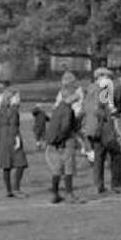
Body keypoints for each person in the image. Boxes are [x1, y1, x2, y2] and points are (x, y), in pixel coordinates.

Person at [45, 73, 85, 204]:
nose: (77, 98)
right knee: (69, 168)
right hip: (66, 141)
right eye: (75, 96)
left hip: (56, 143)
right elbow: (67, 127)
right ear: (70, 97)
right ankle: (69, 194)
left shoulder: (58, 108)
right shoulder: (68, 110)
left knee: (57, 168)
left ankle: (54, 194)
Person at [84, 69, 121, 195]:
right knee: (116, 153)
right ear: (101, 77)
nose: (110, 79)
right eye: (108, 76)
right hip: (103, 127)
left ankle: (98, 185)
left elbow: (87, 108)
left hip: (91, 127)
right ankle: (117, 185)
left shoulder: (89, 89)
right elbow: (106, 108)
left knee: (99, 156)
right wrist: (113, 114)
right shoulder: (105, 88)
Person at [0, 84, 29, 198]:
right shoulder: (14, 111)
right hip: (12, 139)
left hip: (2, 140)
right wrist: (17, 139)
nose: (19, 99)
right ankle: (16, 188)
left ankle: (8, 190)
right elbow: (14, 127)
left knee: (7, 165)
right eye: (17, 96)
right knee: (20, 163)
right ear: (11, 98)